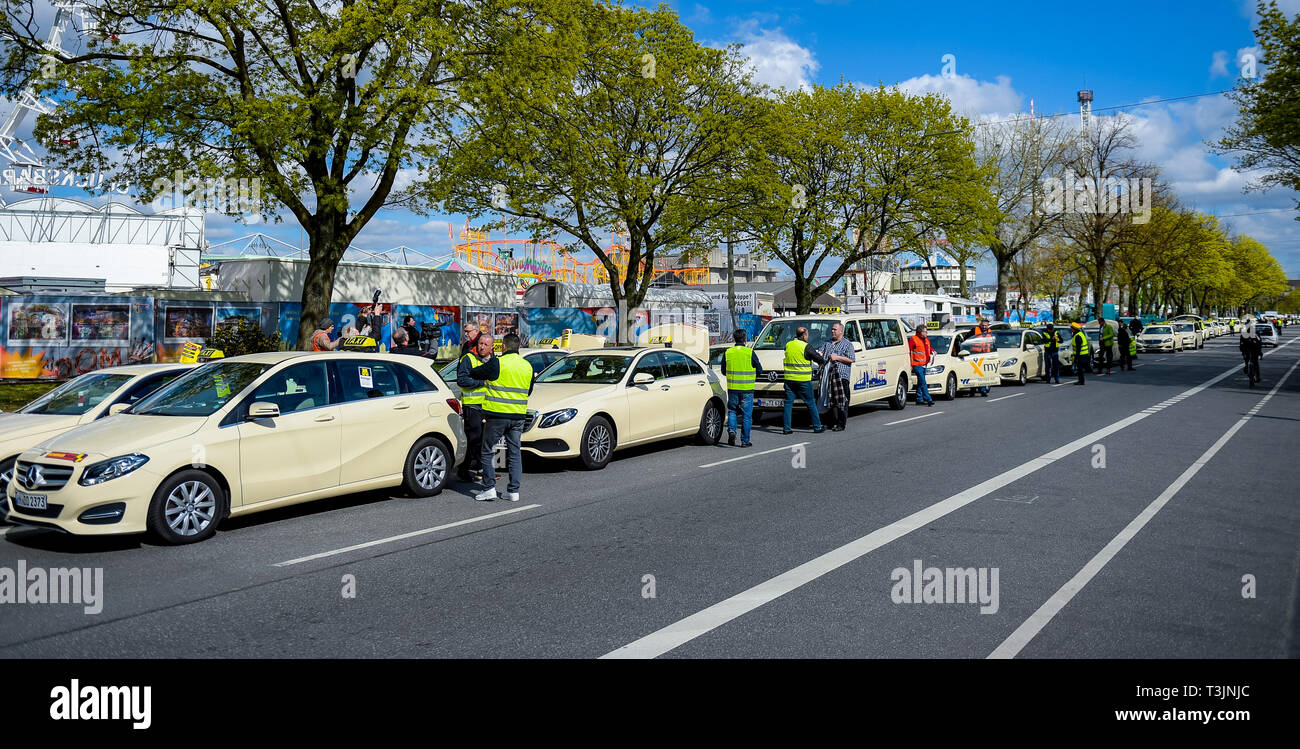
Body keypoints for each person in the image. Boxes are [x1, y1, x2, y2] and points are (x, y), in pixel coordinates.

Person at [470, 333, 532, 501]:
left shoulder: (498, 362)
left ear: (503, 347)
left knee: (487, 451)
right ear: (518, 347)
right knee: (514, 453)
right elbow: (529, 390)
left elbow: (475, 373)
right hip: (518, 416)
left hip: (497, 415)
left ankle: (489, 488)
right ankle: (513, 491)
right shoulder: (527, 366)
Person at [457, 332, 493, 483]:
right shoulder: (468, 358)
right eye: (480, 344)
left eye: (485, 344)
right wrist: (481, 383)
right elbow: (462, 380)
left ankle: (482, 469)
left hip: (489, 406)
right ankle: (463, 470)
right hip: (472, 405)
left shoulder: (493, 360)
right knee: (474, 439)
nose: (482, 347)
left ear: (491, 347)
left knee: (485, 440)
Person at [722, 329, 763, 447]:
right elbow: (760, 369)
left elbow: (724, 371)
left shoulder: (728, 352)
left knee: (732, 411)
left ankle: (731, 431)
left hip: (733, 388)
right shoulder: (749, 352)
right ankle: (745, 441)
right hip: (747, 389)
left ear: (734, 339)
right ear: (745, 339)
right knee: (746, 415)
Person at [782, 326, 825, 434]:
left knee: (788, 404)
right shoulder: (806, 346)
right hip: (803, 380)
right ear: (804, 335)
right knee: (810, 403)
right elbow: (820, 360)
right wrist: (819, 355)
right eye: (808, 334)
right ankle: (817, 427)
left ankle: (787, 428)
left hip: (789, 380)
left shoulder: (788, 344)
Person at [818, 322, 856, 431]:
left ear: (841, 331)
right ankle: (829, 423)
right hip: (828, 376)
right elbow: (821, 352)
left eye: (835, 329)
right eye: (832, 329)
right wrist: (819, 354)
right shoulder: (827, 343)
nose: (832, 331)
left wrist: (837, 357)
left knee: (841, 400)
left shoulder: (847, 344)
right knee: (828, 399)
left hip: (841, 376)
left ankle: (841, 424)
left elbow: (851, 359)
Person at [964, 319, 994, 396]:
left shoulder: (990, 332)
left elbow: (993, 343)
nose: (984, 327)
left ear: (988, 326)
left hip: (985, 355)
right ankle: (973, 390)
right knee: (974, 373)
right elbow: (966, 339)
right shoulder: (974, 330)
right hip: (974, 354)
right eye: (983, 325)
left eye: (985, 326)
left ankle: (983, 390)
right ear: (980, 325)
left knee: (983, 373)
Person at [908, 325, 935, 406]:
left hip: (924, 364)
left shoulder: (926, 340)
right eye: (925, 331)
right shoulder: (913, 339)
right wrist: (910, 364)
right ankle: (928, 399)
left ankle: (919, 399)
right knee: (923, 382)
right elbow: (908, 351)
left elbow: (928, 348)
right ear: (920, 332)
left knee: (920, 382)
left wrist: (933, 351)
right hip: (917, 364)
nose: (927, 333)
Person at [1239, 316, 1262, 381]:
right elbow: (1241, 343)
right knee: (1253, 362)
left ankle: (1257, 376)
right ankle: (1248, 367)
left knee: (1255, 362)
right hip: (1249, 350)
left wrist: (1259, 351)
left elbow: (1259, 343)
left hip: (1253, 350)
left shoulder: (1254, 334)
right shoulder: (1245, 334)